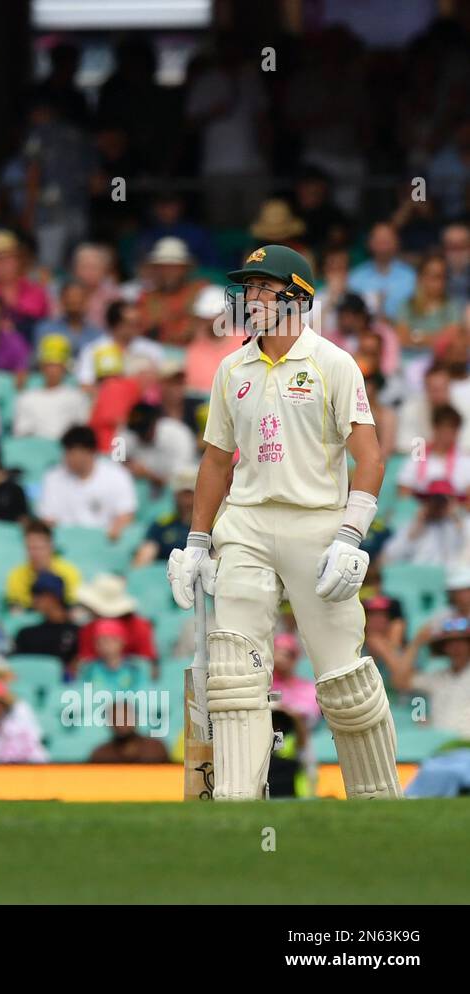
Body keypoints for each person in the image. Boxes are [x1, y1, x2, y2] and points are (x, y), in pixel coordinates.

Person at [167, 244, 399, 800]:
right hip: (244, 526)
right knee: (233, 674)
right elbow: (217, 460)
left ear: (298, 295)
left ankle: (380, 808)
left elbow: (369, 456)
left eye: (264, 287)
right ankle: (236, 805)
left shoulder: (333, 363)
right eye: (248, 287)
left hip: (316, 527)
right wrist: (198, 541)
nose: (252, 297)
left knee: (342, 679)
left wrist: (351, 534)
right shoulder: (232, 367)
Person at [37, 424, 136, 538]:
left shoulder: (117, 475)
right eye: (66, 452)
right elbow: (47, 518)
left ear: (89, 452)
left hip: (104, 541)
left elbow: (126, 514)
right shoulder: (52, 477)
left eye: (72, 453)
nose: (67, 458)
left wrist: (114, 531)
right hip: (66, 541)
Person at [133, 464, 199, 566]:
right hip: (162, 578)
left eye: (190, 494)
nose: (186, 501)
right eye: (182, 494)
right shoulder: (162, 524)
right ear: (175, 495)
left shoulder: (211, 528)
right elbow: (144, 558)